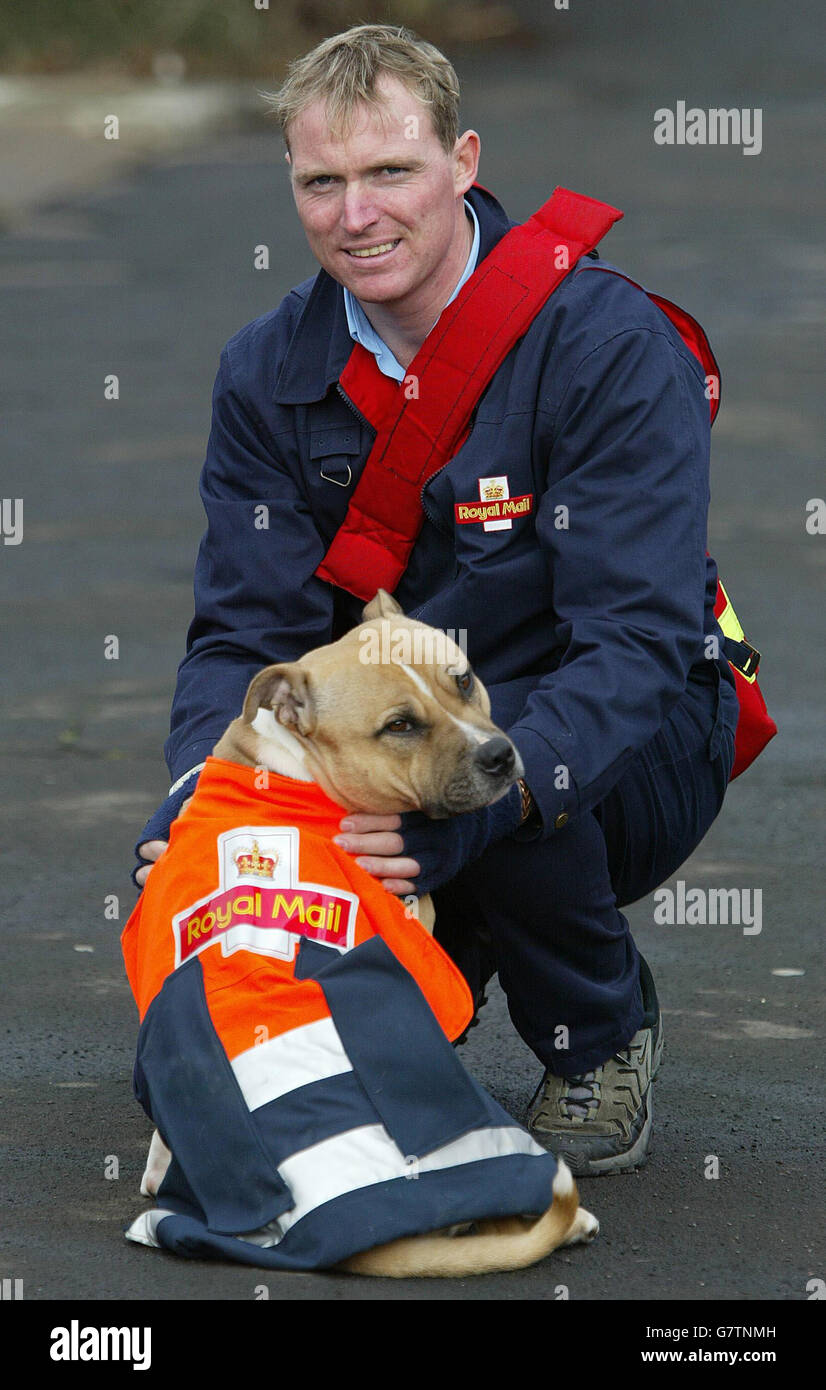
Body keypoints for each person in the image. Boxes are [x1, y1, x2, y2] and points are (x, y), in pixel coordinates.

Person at [133, 23, 739, 1176]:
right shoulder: (265, 370)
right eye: (322, 182)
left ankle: (594, 1028)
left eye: (389, 172)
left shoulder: (606, 343)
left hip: (629, 734)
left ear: (463, 160)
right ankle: (421, 965)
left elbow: (635, 645)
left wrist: (448, 813)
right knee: (246, 917)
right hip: (393, 733)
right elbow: (246, 634)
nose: (354, 214)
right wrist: (203, 809)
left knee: (485, 764)